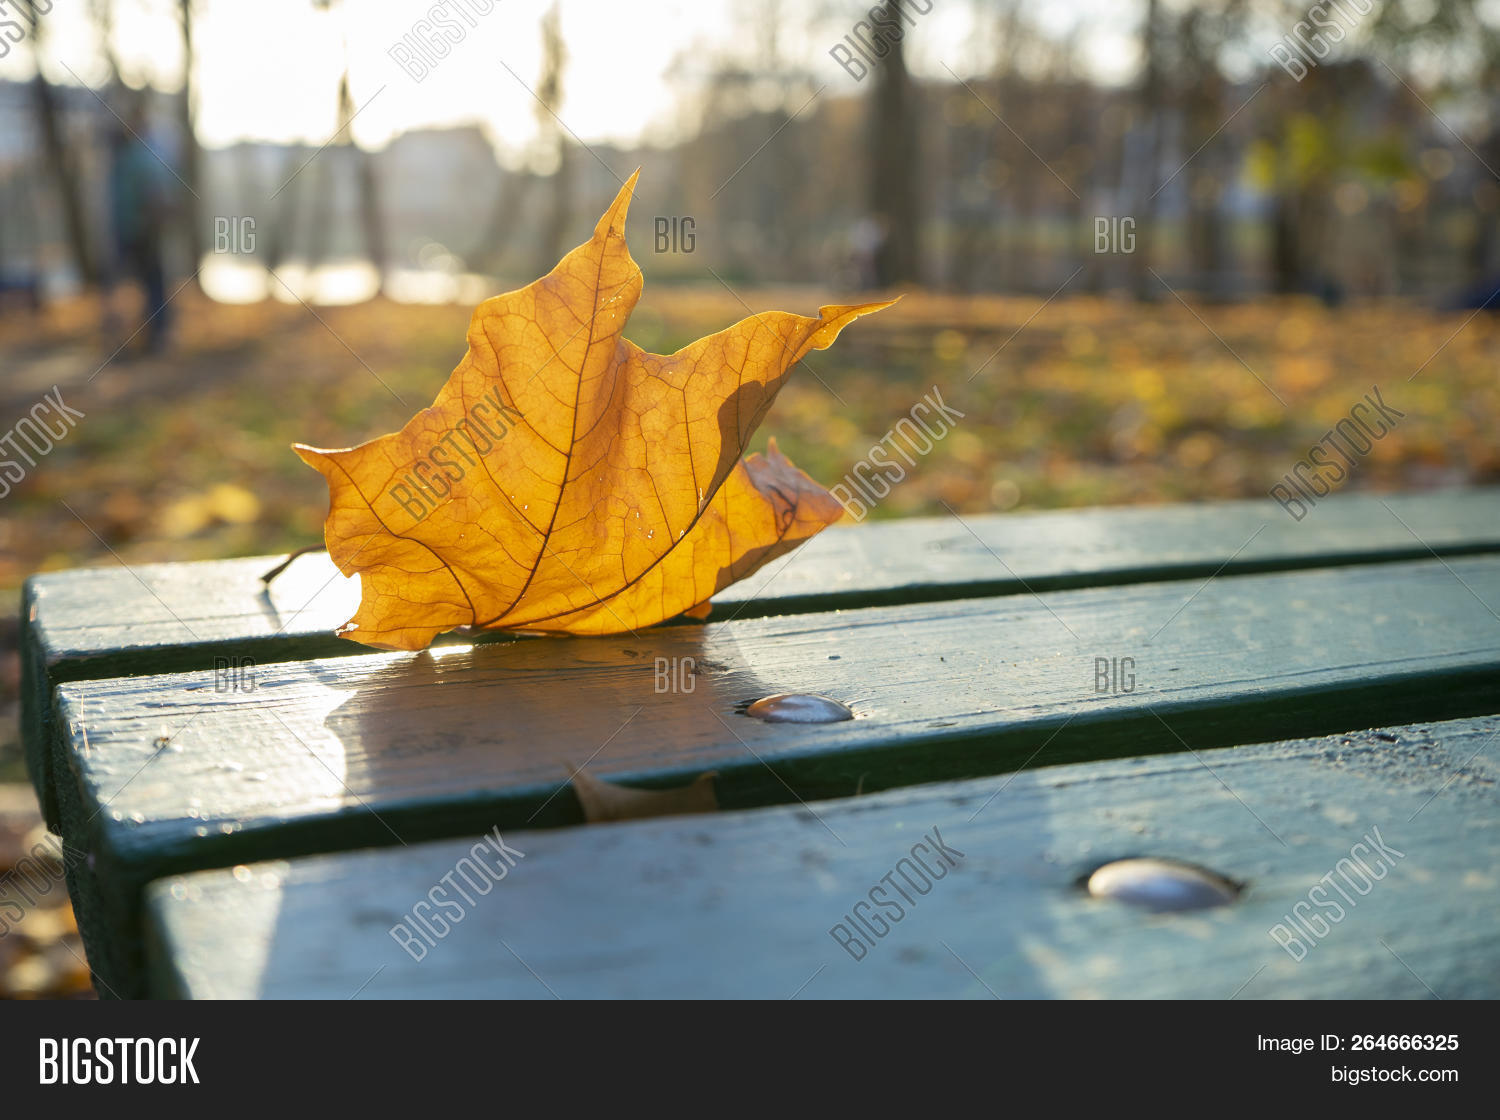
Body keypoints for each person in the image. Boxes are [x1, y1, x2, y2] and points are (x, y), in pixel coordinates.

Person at [106, 98, 174, 353]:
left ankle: (152, 335)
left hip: (136, 232)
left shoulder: (133, 157)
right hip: (135, 231)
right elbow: (155, 197)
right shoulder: (141, 156)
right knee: (145, 283)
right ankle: (150, 335)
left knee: (139, 283)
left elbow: (154, 197)